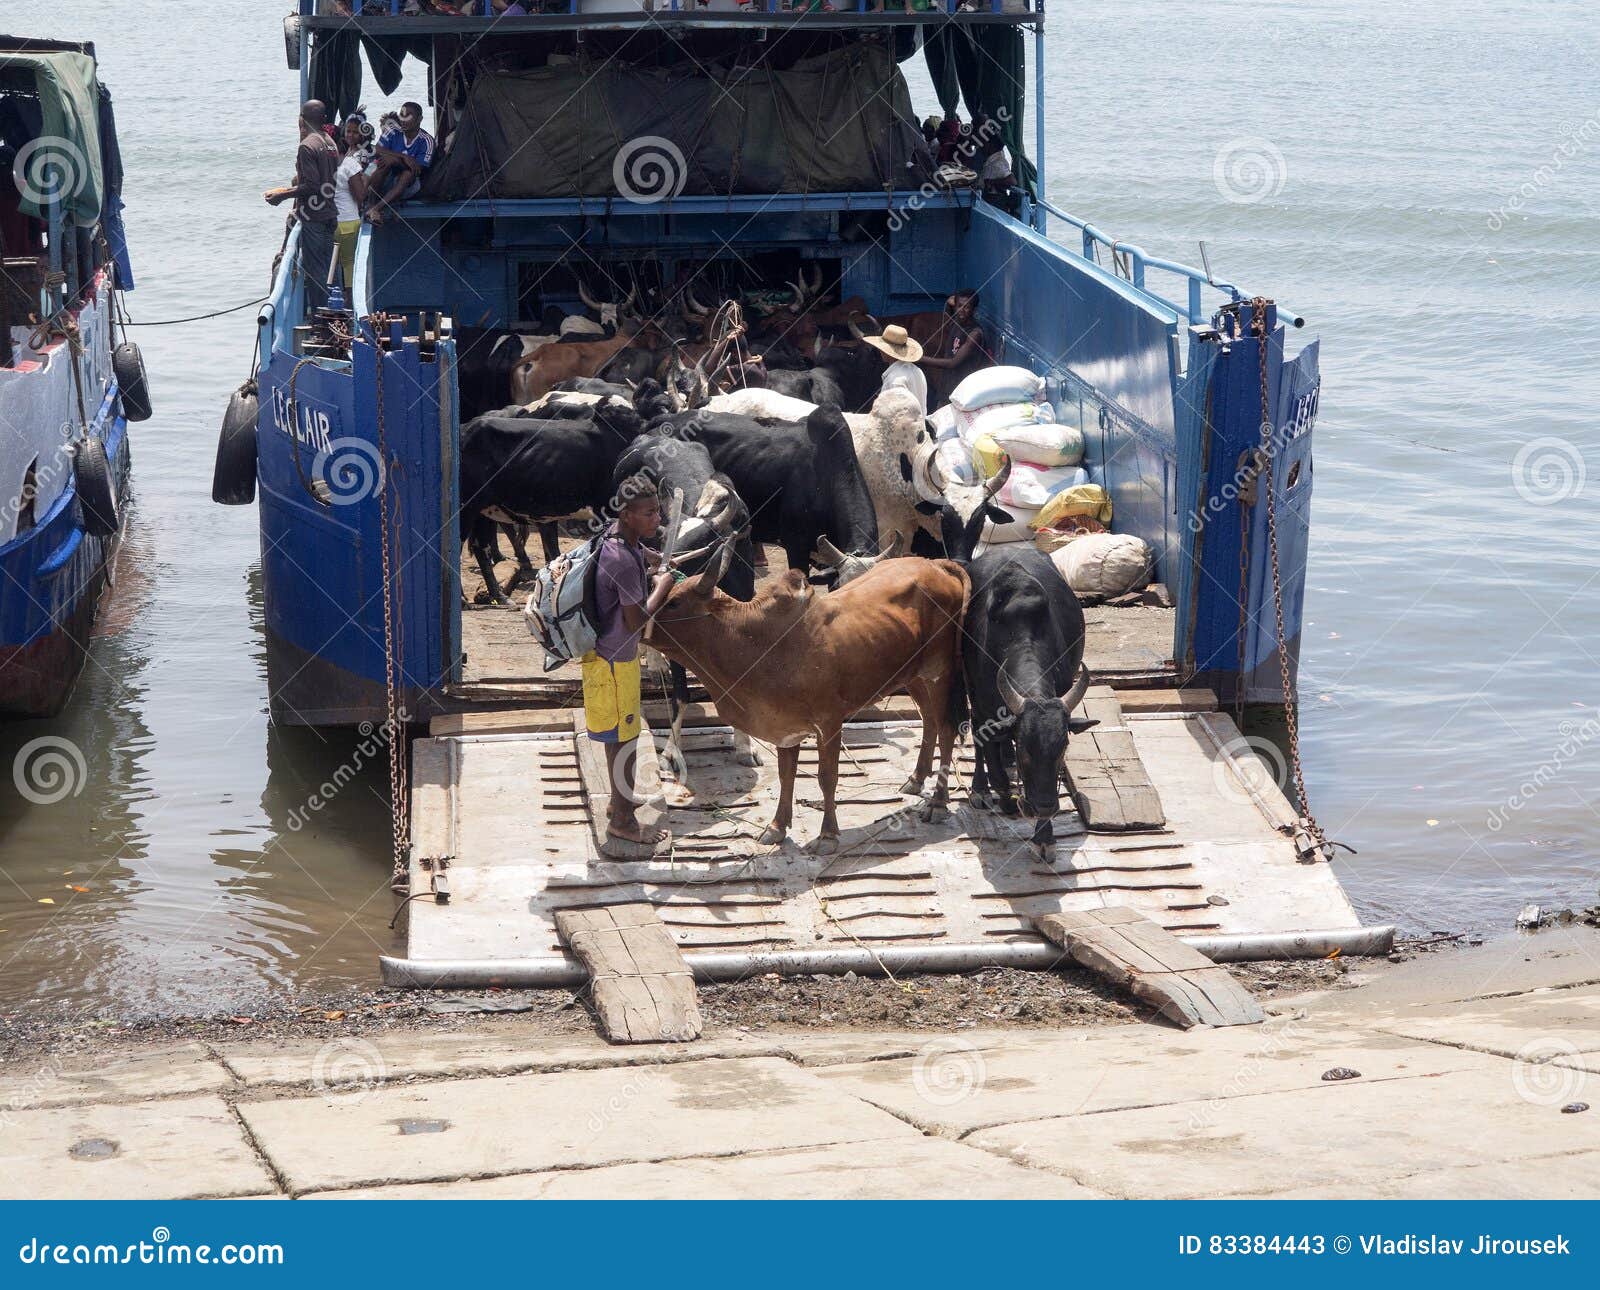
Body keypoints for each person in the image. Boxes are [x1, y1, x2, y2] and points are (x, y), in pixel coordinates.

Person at [584, 476, 676, 851]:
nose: (658, 519)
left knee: (615, 735)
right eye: (649, 513)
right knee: (624, 739)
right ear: (626, 514)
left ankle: (616, 803)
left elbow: (630, 551)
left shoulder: (614, 537)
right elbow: (637, 619)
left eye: (658, 511)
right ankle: (623, 822)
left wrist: (649, 557)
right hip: (615, 661)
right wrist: (662, 586)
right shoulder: (622, 560)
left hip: (601, 657)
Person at [264, 100, 339, 312]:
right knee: (327, 269)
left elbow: (312, 185)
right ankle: (333, 313)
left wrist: (282, 196)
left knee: (316, 272)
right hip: (330, 213)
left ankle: (321, 319)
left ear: (302, 121)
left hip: (314, 216)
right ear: (324, 120)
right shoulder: (330, 143)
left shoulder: (307, 146)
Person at [920, 289, 992, 405]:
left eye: (967, 307)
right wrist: (950, 304)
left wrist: (921, 359)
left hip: (962, 393)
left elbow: (953, 363)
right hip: (946, 389)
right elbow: (949, 312)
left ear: (973, 310)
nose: (961, 311)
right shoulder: (957, 322)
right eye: (959, 306)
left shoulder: (975, 334)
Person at [366, 101, 435, 223]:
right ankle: (371, 205)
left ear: (420, 119)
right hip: (386, 178)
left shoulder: (427, 140)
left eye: (409, 116)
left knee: (407, 174)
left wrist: (395, 160)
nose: (403, 120)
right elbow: (377, 150)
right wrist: (402, 157)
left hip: (408, 186)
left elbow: (417, 169)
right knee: (384, 162)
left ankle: (376, 208)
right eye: (402, 115)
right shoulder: (392, 130)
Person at [332, 114, 372, 294]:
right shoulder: (348, 158)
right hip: (348, 220)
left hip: (336, 219)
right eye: (348, 131)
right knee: (348, 264)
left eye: (355, 132)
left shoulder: (359, 155)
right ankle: (348, 303)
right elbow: (360, 192)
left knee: (335, 263)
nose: (351, 135)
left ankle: (332, 298)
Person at [863, 324, 927, 415]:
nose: (880, 351)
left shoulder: (894, 379)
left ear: (887, 351)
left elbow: (895, 414)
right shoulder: (918, 371)